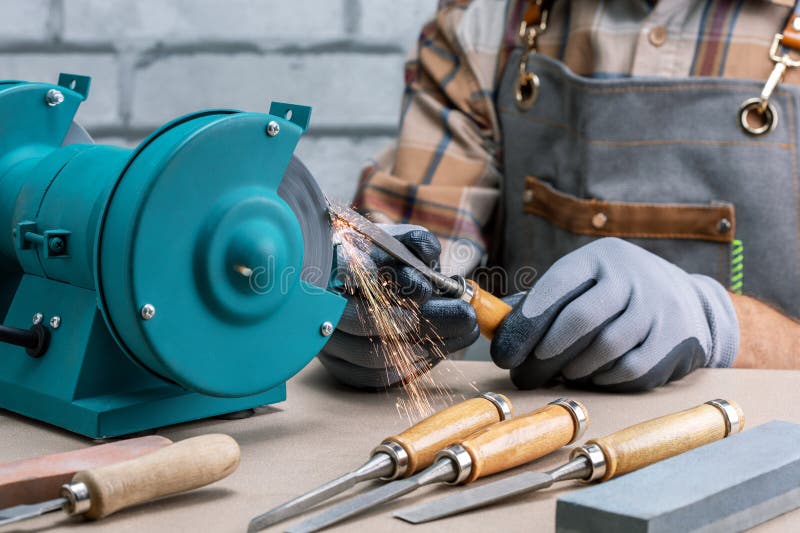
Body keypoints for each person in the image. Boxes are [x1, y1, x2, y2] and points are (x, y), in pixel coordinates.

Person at [318, 0, 800, 391]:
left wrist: (719, 325)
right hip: (535, 454)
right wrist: (374, 301)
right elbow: (422, 243)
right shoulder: (488, 21)